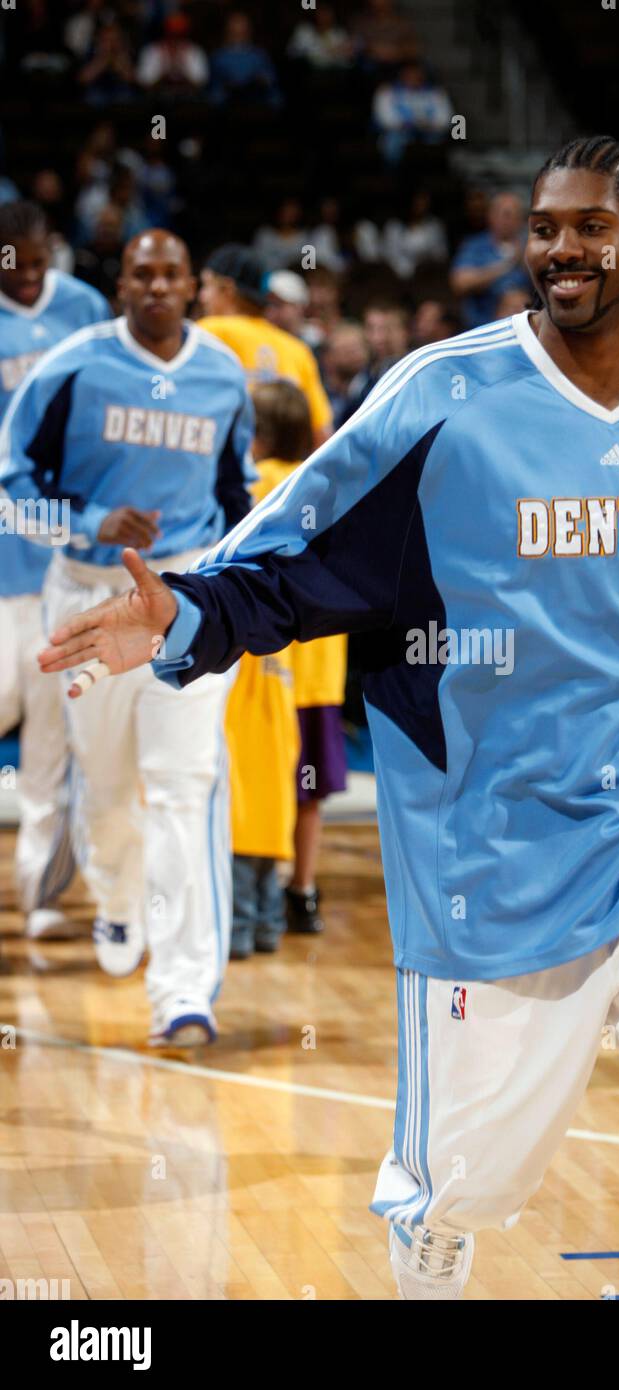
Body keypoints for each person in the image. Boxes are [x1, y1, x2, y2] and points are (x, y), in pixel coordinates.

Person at [37, 135, 619, 1302]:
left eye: (587, 226)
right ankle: (429, 1226)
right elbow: (296, 557)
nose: (557, 249)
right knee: (466, 1180)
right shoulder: (446, 398)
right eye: (541, 227)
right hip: (491, 852)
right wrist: (183, 613)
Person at [1, 230, 254, 1046]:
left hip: (183, 601)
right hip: (86, 595)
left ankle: (184, 993)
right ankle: (115, 897)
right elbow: (11, 492)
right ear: (121, 285)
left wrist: (231, 596)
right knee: (107, 790)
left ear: (192, 285)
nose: (155, 287)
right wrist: (87, 523)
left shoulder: (223, 375)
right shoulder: (70, 367)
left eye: (170, 274)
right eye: (140, 274)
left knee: (183, 788)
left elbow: (236, 492)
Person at [0, 201, 110, 940]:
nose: (31, 270)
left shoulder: (86, 309)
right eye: (16, 258)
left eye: (40, 256)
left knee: (52, 741)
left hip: (68, 558)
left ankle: (40, 894)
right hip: (6, 547)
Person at [225, 381, 314, 958]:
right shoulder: (313, 480)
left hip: (250, 658)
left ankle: (236, 931)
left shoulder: (253, 488)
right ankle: (270, 922)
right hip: (302, 665)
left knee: (235, 809)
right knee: (292, 795)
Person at [197, 244, 332, 444]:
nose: (201, 297)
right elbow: (322, 434)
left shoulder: (205, 332)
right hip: (287, 473)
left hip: (225, 470)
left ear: (227, 290)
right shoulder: (297, 349)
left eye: (206, 285)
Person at [450, 191, 531, 328]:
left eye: (516, 215)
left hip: (525, 319)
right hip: (482, 322)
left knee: (517, 302)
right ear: (491, 216)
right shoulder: (474, 246)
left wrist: (525, 262)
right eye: (506, 214)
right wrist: (507, 265)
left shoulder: (529, 246)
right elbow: (460, 283)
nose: (510, 220)